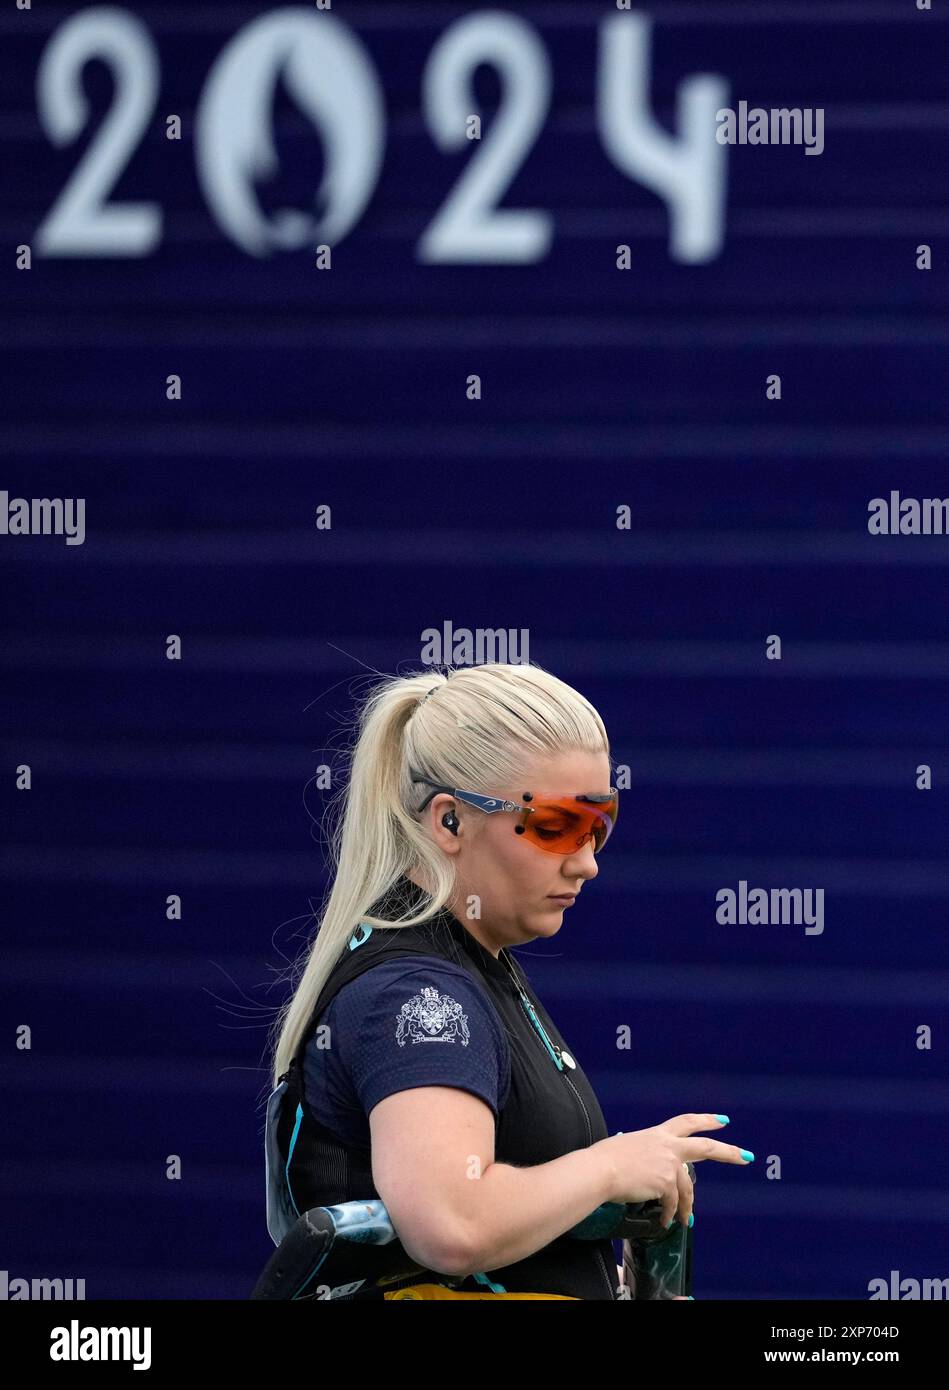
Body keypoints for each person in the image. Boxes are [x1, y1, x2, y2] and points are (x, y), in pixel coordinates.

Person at [265, 661, 752, 1300]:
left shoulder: (467, 967)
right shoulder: (417, 995)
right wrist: (609, 1169)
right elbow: (452, 1224)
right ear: (448, 822)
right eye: (555, 827)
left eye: (599, 825)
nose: (587, 863)